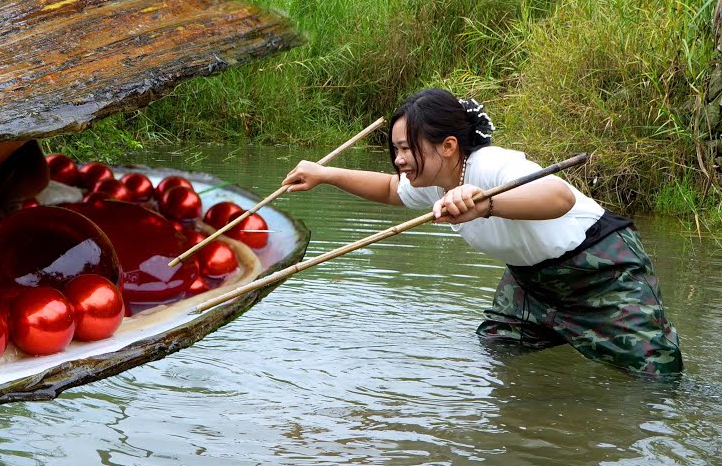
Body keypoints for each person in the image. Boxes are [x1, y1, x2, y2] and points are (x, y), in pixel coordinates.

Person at [282, 88, 682, 378]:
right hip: (531, 285)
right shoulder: (434, 182)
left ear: (449, 145)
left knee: (658, 377)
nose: (400, 160)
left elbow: (559, 197)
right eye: (396, 150)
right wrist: (324, 174)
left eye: (407, 148)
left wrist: (486, 203)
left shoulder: (490, 165)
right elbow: (390, 190)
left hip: (602, 270)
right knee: (499, 352)